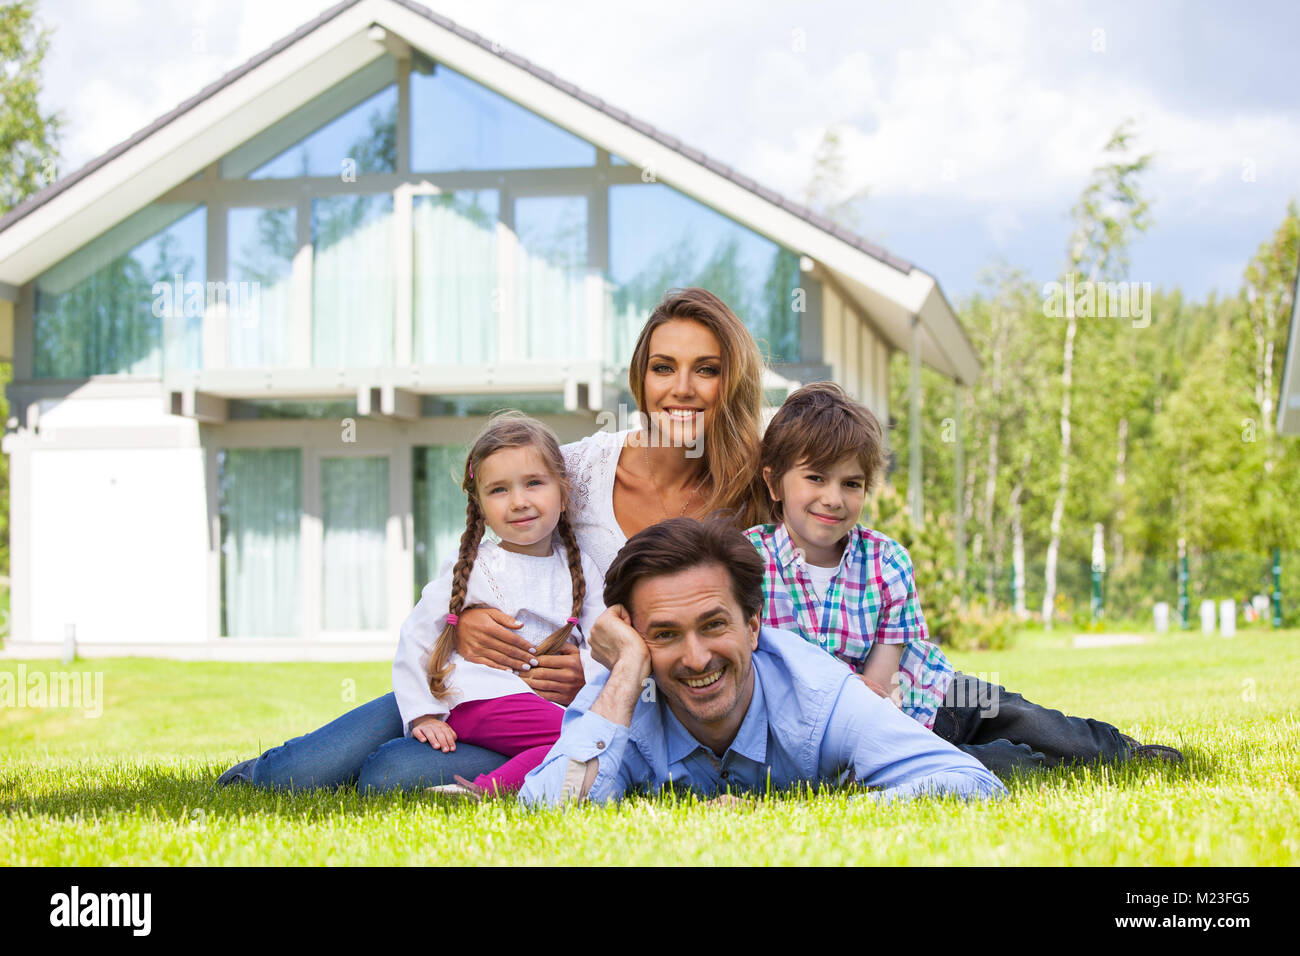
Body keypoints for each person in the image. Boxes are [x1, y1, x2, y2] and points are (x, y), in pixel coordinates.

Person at [217, 287, 769, 792]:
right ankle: (257, 777)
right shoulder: (580, 471)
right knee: (307, 767)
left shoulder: (751, 499)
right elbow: (502, 532)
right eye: (663, 367)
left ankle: (432, 771)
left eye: (707, 370)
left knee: (390, 775)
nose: (681, 388)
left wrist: (602, 673)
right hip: (485, 684)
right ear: (639, 379)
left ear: (732, 380)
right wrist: (467, 619)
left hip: (587, 713)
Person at [743, 382, 1182, 774]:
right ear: (775, 483)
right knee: (1007, 765)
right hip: (864, 739)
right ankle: (1030, 765)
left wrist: (875, 697)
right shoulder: (749, 562)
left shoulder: (886, 560)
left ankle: (1123, 753)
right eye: (816, 478)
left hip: (931, 696)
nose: (833, 498)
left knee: (1027, 719)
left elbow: (882, 682)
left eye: (851, 484)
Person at [519, 517, 1005, 805]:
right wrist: (625, 668)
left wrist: (816, 815)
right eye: (664, 635)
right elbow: (548, 809)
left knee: (1029, 744)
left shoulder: (818, 694)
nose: (696, 657)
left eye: (714, 625)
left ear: (753, 626)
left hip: (948, 710)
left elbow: (971, 782)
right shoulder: (619, 695)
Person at [391, 413, 606, 796]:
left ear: (564, 489)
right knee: (588, 736)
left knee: (580, 738)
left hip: (538, 708)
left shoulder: (580, 567)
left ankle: (488, 787)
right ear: (481, 503)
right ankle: (487, 792)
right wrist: (423, 711)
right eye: (499, 490)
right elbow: (417, 635)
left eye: (534, 483)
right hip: (482, 698)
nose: (519, 502)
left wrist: (585, 674)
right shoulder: (476, 566)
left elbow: (603, 643)